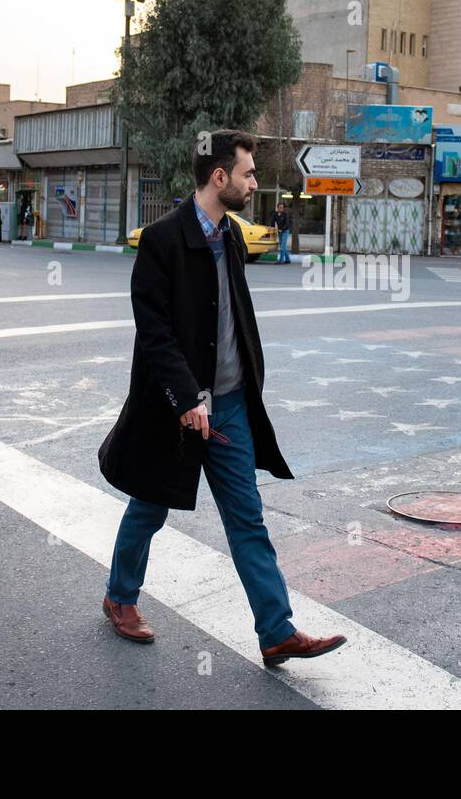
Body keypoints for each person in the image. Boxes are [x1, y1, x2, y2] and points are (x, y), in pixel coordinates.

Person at [98, 129, 346, 667]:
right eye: (248, 173)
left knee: (247, 518)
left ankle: (277, 631)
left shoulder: (230, 234)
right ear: (219, 177)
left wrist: (246, 376)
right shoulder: (162, 239)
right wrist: (187, 397)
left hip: (229, 403)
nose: (253, 182)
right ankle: (120, 597)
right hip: (178, 409)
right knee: (150, 507)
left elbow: (231, 313)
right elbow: (154, 331)